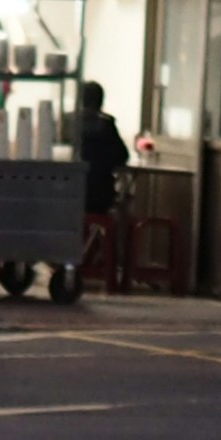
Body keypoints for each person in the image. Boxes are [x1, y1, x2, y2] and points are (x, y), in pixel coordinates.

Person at [75, 79, 133, 292]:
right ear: (101, 101)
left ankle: (80, 258)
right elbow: (122, 156)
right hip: (100, 196)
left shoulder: (71, 124)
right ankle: (100, 261)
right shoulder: (107, 125)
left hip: (71, 195)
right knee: (113, 214)